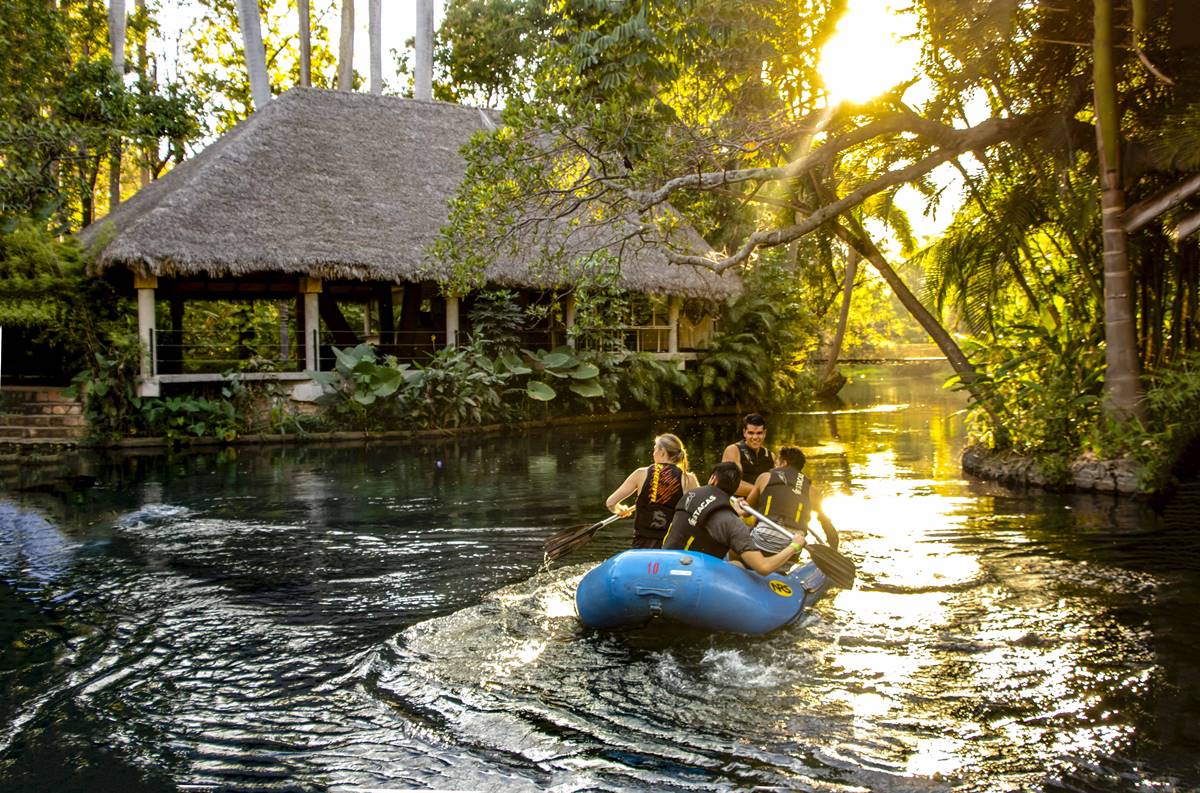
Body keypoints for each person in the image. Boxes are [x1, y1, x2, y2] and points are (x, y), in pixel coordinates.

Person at [662, 461, 805, 576]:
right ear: (735, 489)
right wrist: (794, 546)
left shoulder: (690, 494)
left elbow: (706, 516)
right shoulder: (733, 523)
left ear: (713, 479)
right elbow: (763, 567)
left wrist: (735, 512)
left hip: (665, 563)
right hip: (693, 576)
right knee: (738, 565)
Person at [605, 433, 700, 548]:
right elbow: (700, 513)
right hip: (672, 546)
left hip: (642, 545)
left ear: (662, 452)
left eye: (655, 449)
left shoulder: (640, 474)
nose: (653, 453)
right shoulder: (688, 479)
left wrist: (620, 509)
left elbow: (610, 503)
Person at [745, 446, 839, 550]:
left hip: (763, 539)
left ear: (784, 463)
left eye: (777, 463)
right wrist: (834, 550)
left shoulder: (765, 477)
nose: (775, 466)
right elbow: (826, 523)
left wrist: (739, 504)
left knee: (738, 534)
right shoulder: (813, 491)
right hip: (793, 545)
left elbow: (746, 512)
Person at [721, 413, 774, 497]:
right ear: (744, 433)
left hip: (762, 501)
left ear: (764, 433)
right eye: (751, 433)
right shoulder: (733, 450)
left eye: (759, 433)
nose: (755, 437)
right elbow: (729, 483)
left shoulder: (771, 456)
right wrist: (761, 492)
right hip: (737, 502)